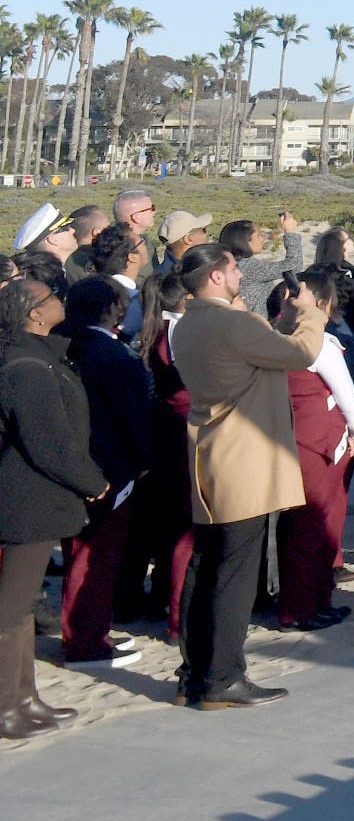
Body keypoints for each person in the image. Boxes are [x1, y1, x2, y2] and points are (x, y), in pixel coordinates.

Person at [172, 240, 318, 707]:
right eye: (233, 268)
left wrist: (281, 322)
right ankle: (223, 677)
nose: (240, 274)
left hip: (211, 454)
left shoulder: (190, 323)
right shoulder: (233, 323)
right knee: (235, 573)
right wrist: (312, 313)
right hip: (244, 458)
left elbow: (262, 348)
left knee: (206, 565)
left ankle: (194, 673)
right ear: (216, 275)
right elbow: (302, 354)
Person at [1, 275, 106, 740]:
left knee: (21, 608)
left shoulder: (36, 353)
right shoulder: (25, 366)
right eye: (50, 298)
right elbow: (48, 442)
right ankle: (6, 707)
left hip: (34, 499)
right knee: (10, 611)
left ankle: (25, 698)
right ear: (35, 314)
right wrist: (91, 481)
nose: (59, 301)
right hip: (26, 500)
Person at [58, 276, 151, 668]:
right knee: (96, 559)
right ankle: (86, 641)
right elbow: (135, 417)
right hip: (110, 469)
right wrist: (145, 461)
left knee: (80, 554)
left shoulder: (68, 347)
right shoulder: (112, 355)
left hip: (76, 468)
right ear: (112, 308)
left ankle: (90, 630)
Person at [264, 270, 354, 631]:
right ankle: (302, 608)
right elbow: (349, 401)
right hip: (320, 444)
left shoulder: (273, 337)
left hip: (287, 438)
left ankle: (310, 603)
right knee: (316, 528)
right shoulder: (320, 344)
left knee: (296, 529)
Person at [123, 270, 195, 637]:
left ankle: (155, 599)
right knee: (180, 527)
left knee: (160, 525)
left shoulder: (149, 332)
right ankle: (174, 608)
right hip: (178, 436)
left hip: (160, 437)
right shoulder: (179, 334)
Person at [312, 227, 354, 454]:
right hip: (348, 336)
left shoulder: (312, 273)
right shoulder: (351, 274)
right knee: (353, 385)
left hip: (320, 334)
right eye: (347, 240)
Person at [219, 213, 305, 313]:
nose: (263, 239)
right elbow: (294, 266)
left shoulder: (232, 263)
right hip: (258, 324)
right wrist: (290, 232)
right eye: (259, 235)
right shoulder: (248, 267)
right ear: (245, 242)